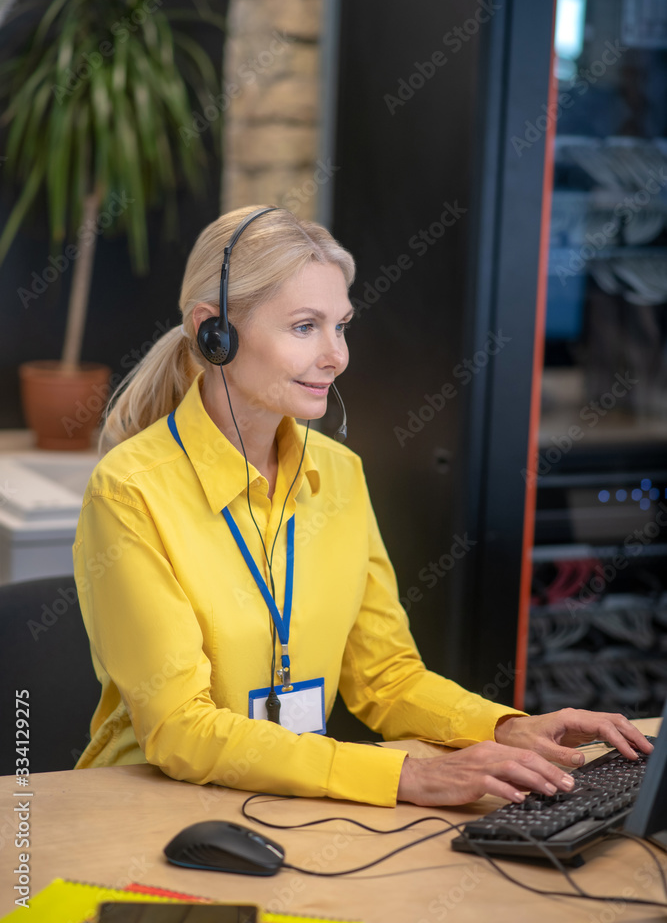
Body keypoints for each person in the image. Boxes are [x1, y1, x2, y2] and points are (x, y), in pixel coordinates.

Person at [73, 205, 652, 808]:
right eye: (304, 327)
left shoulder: (339, 475)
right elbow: (181, 731)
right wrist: (407, 776)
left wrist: (506, 727)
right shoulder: (129, 491)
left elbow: (386, 678)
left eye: (341, 326)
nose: (336, 356)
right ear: (214, 330)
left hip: (286, 798)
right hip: (148, 807)